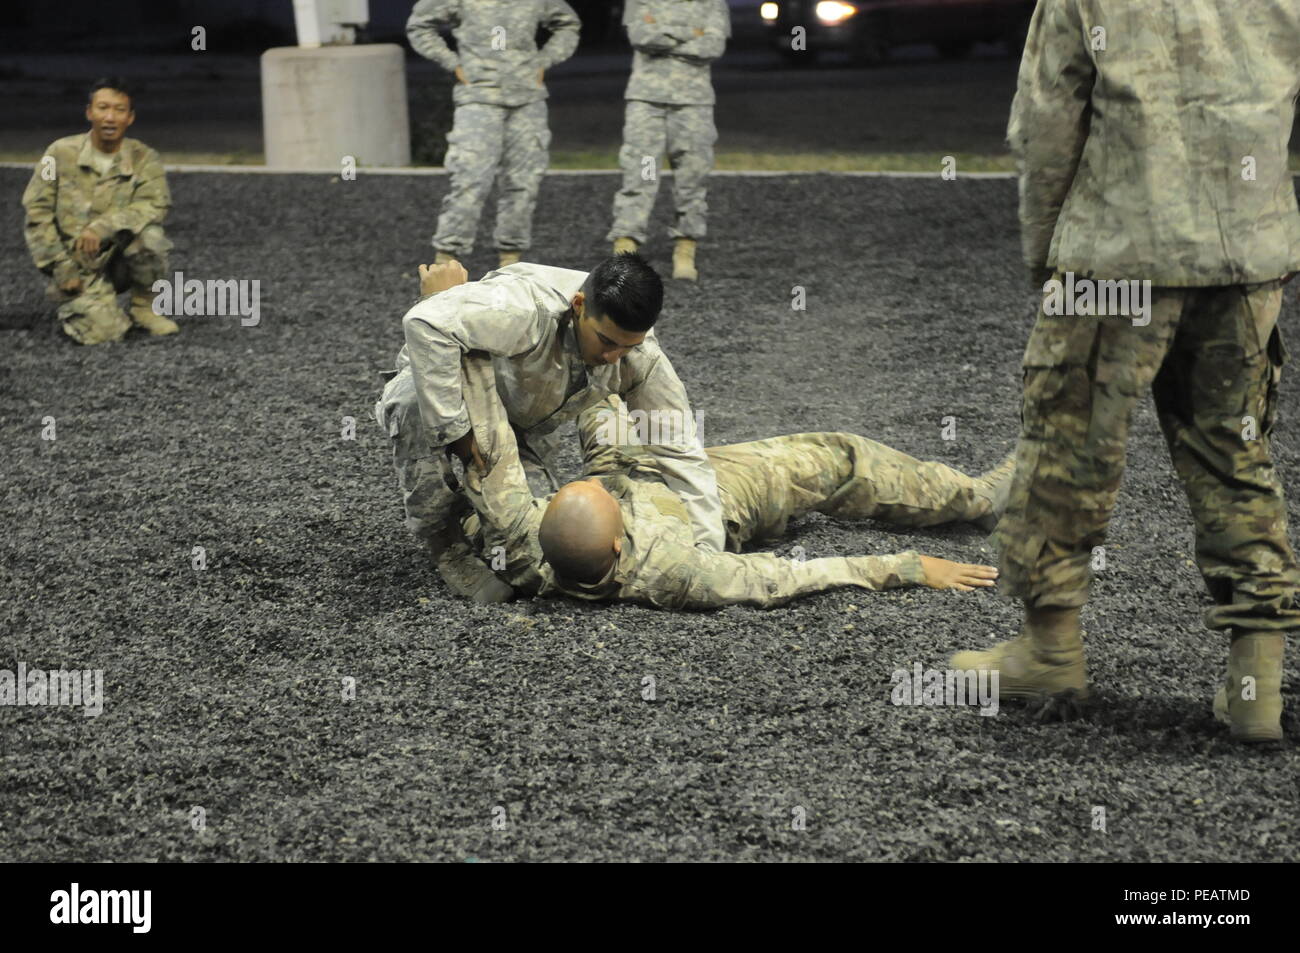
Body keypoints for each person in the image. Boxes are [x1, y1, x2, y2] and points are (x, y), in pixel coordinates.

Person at [950, 0, 1300, 742]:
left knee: (1065, 449)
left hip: (1116, 253)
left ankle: (1050, 649)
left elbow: (1047, 121)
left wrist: (1046, 254)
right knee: (1235, 453)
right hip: (1246, 254)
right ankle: (1255, 685)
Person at [453, 351, 1014, 609]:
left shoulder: (529, 548)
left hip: (622, 469)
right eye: (605, 506)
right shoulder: (677, 571)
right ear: (620, 543)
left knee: (602, 372)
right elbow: (785, 580)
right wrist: (910, 568)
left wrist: (453, 330)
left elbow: (487, 463)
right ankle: (978, 498)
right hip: (716, 498)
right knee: (838, 458)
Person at [375, 254, 725, 602]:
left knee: (536, 544)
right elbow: (426, 322)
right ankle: (446, 543)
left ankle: (471, 510)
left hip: (518, 428)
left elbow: (679, 449)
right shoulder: (524, 307)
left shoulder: (641, 357)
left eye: (627, 346)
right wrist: (457, 432)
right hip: (453, 401)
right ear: (579, 305)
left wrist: (707, 552)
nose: (613, 357)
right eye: (606, 341)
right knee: (412, 403)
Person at [406, 0, 581, 270]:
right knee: (469, 178)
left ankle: (511, 258)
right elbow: (419, 25)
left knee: (523, 182)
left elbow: (568, 24)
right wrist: (452, 62)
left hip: (527, 100)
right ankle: (446, 256)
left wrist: (543, 61)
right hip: (479, 99)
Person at [21, 77, 178, 345]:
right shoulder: (56, 154)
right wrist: (60, 267)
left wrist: (103, 227)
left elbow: (155, 205)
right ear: (89, 112)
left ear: (130, 118)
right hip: (76, 264)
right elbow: (37, 211)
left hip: (119, 257)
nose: (110, 117)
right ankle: (87, 305)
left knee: (151, 237)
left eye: (119, 110)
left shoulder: (144, 158)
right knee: (105, 334)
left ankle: (143, 308)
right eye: (103, 108)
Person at [607, 0, 731, 281]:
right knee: (641, 172)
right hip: (646, 99)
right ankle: (626, 243)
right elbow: (640, 36)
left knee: (692, 174)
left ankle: (685, 247)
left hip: (693, 101)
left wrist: (663, 33)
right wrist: (690, 34)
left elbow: (713, 46)